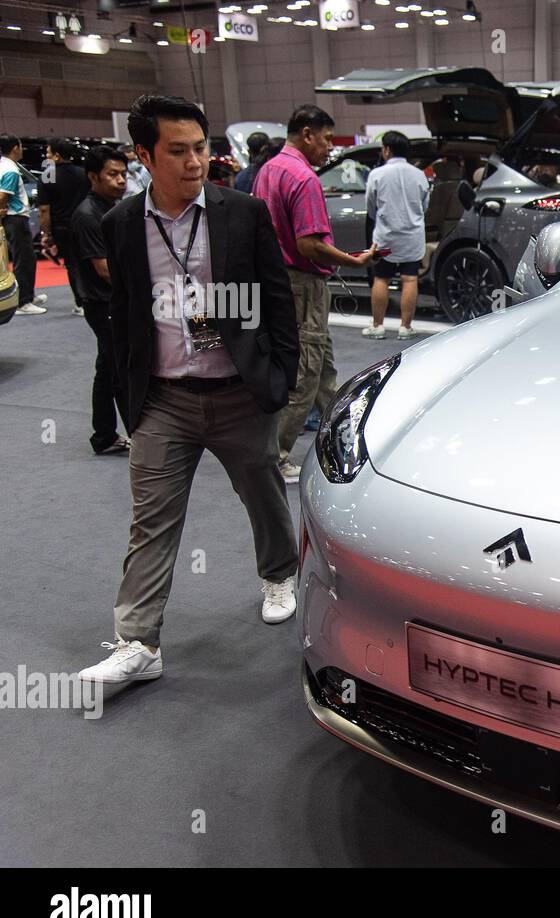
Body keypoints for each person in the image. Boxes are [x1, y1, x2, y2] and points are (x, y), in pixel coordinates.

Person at [76, 94, 300, 688]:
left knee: (263, 495)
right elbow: (125, 314)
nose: (196, 161)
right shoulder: (121, 225)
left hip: (239, 392)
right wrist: (132, 400)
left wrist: (279, 380)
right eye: (178, 151)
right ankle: (138, 642)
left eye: (200, 147)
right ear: (144, 155)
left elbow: (278, 300)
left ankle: (279, 573)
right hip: (164, 400)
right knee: (150, 521)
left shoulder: (242, 213)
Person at [254, 104, 374, 484]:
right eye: (325, 139)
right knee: (305, 370)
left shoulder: (269, 170)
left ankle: (345, 434)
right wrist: (352, 261)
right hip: (302, 285)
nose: (328, 148)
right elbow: (309, 245)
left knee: (322, 368)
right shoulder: (302, 178)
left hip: (277, 280)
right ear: (307, 133)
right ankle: (275, 455)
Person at [69, 146, 130, 456]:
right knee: (120, 369)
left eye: (123, 174)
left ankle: (104, 435)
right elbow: (104, 269)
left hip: (111, 301)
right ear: (94, 176)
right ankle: (138, 434)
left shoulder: (111, 207)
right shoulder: (88, 215)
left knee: (106, 368)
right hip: (102, 303)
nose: (120, 180)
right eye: (112, 174)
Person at [362, 131, 429, 341]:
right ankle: (405, 327)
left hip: (386, 236)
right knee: (410, 279)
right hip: (412, 236)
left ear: (387, 150)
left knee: (381, 278)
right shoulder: (419, 174)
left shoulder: (377, 174)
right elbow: (424, 204)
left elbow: (370, 207)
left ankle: (377, 326)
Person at [38, 138, 90, 316]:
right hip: (85, 225)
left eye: (49, 153)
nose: (47, 156)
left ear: (57, 156)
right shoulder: (84, 173)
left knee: (73, 265)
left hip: (63, 227)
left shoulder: (48, 176)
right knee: (90, 262)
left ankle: (81, 303)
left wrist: (46, 233)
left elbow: (44, 210)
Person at [0, 134, 46, 315]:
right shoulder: (10, 169)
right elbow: (3, 197)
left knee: (28, 258)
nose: (22, 149)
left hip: (15, 218)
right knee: (23, 260)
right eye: (20, 146)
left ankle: (29, 295)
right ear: (14, 148)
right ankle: (22, 302)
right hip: (16, 219)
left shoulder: (4, 165)